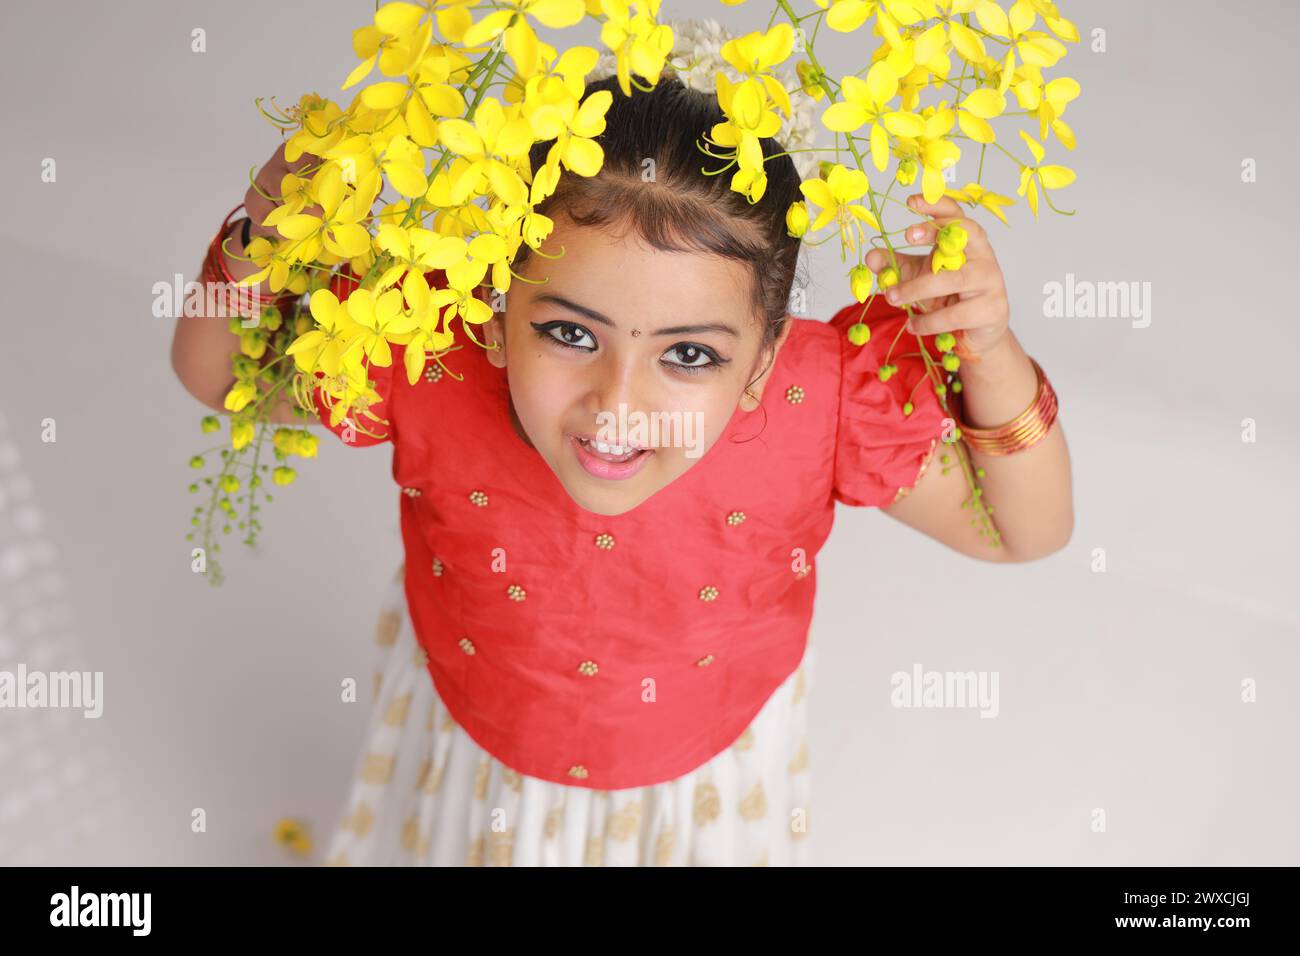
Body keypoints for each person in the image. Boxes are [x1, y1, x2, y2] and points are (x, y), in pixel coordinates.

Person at [170, 74, 1073, 866]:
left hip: (697, 788)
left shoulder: (820, 398)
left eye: (689, 356)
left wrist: (988, 353)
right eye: (568, 334)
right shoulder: (432, 360)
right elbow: (217, 373)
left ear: (766, 362)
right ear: (492, 309)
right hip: (478, 750)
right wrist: (263, 226)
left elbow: (1027, 533)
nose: (619, 405)